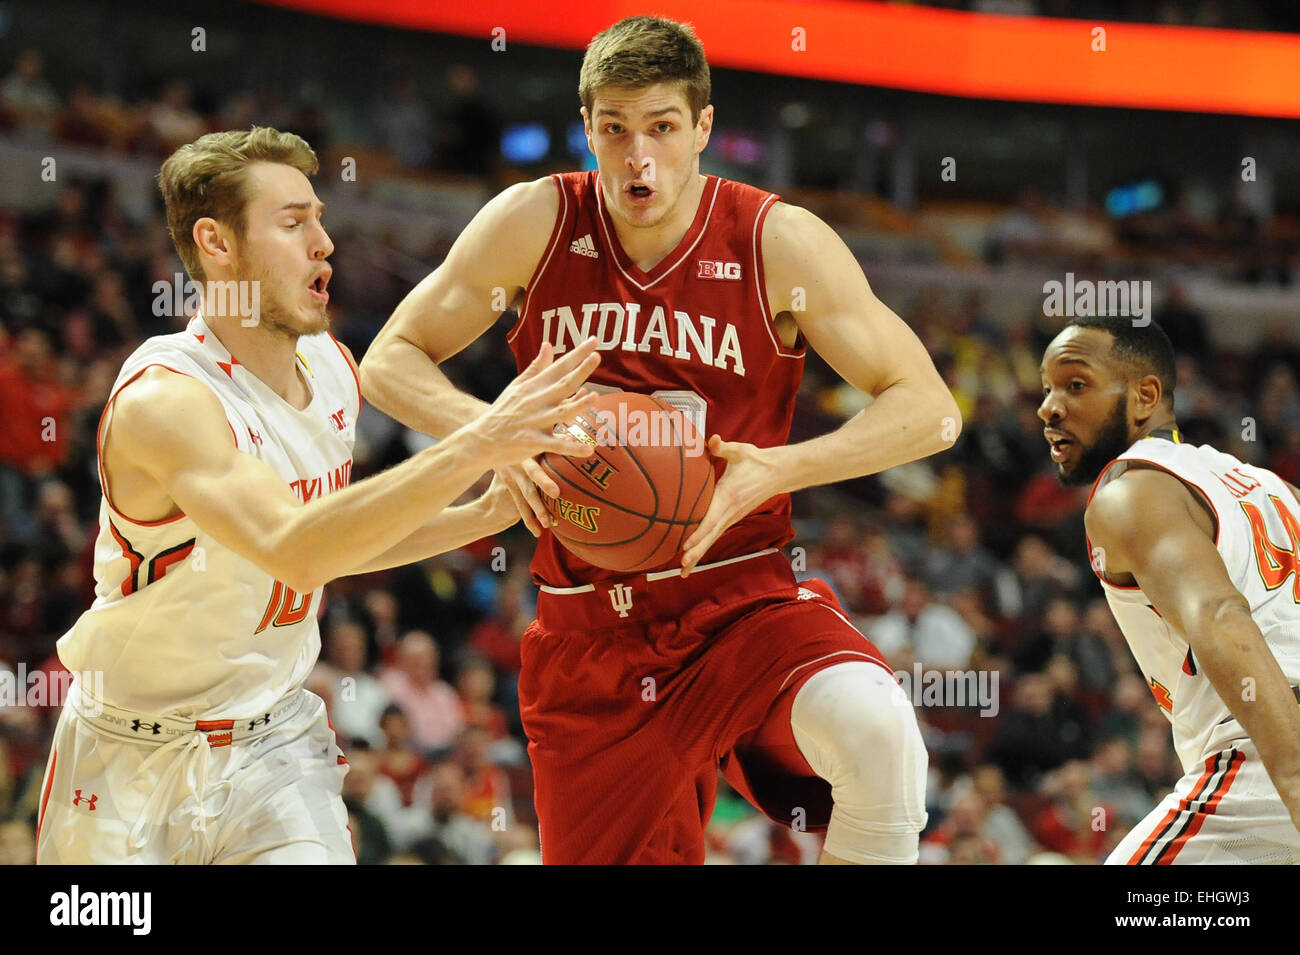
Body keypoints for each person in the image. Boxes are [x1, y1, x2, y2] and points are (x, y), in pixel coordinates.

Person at [360, 17, 960, 865]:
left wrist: (783, 467)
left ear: (703, 128)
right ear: (588, 130)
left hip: (739, 604)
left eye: (662, 129)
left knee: (878, 732)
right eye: (615, 131)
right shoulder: (537, 221)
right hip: (589, 635)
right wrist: (495, 431)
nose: (638, 157)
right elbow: (387, 360)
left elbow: (932, 408)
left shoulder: (774, 239)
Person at [33, 126, 600, 865]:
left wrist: (482, 512)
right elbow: (294, 547)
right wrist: (482, 438)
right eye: (294, 223)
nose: (325, 243)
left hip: (275, 746)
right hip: (128, 757)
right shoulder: (166, 401)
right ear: (217, 243)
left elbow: (335, 543)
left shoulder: (332, 367)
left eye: (321, 218)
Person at [1039, 314, 1300, 864]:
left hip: (1268, 754)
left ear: (1145, 395)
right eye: (1046, 389)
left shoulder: (1131, 491)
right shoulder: (1275, 489)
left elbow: (1221, 613)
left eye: (1075, 384)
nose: (1049, 407)